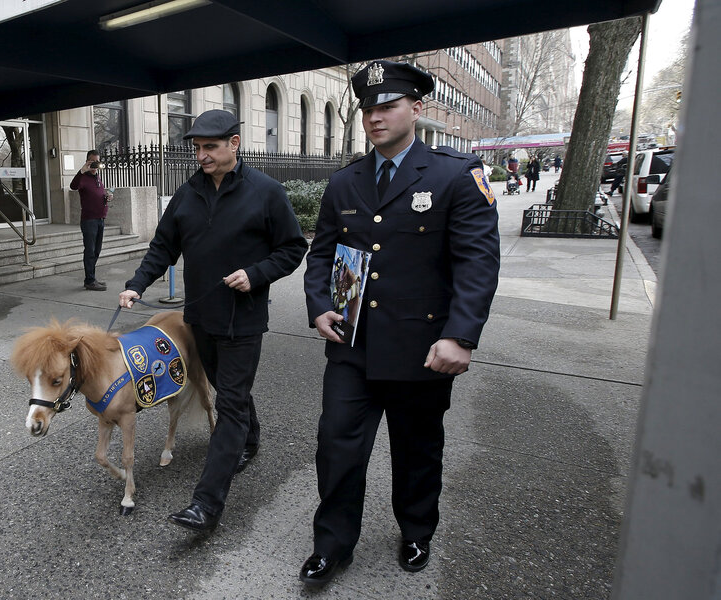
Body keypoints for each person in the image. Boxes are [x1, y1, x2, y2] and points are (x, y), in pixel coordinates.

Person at [300, 60, 500, 586]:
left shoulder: (455, 173)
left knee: (416, 449)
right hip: (352, 342)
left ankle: (416, 531)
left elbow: (478, 262)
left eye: (387, 106)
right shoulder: (346, 181)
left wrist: (460, 335)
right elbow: (322, 254)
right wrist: (319, 303)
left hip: (422, 345)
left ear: (417, 108)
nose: (375, 116)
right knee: (336, 447)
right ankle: (332, 545)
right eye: (368, 108)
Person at [118, 109, 308, 532]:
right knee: (230, 390)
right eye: (197, 148)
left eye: (210, 147)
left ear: (234, 144)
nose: (201, 155)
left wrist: (256, 274)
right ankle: (251, 441)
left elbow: (293, 248)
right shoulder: (188, 193)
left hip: (244, 319)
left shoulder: (267, 192)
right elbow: (163, 246)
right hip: (200, 319)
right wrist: (137, 284)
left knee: (230, 404)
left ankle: (206, 504)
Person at [70, 150, 112, 291]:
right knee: (90, 251)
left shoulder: (97, 178)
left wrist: (106, 197)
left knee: (97, 250)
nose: (95, 165)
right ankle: (89, 281)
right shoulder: (83, 177)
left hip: (100, 219)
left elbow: (96, 194)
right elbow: (73, 186)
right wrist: (82, 171)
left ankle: (92, 278)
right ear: (88, 161)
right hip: (89, 220)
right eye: (92, 162)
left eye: (97, 162)